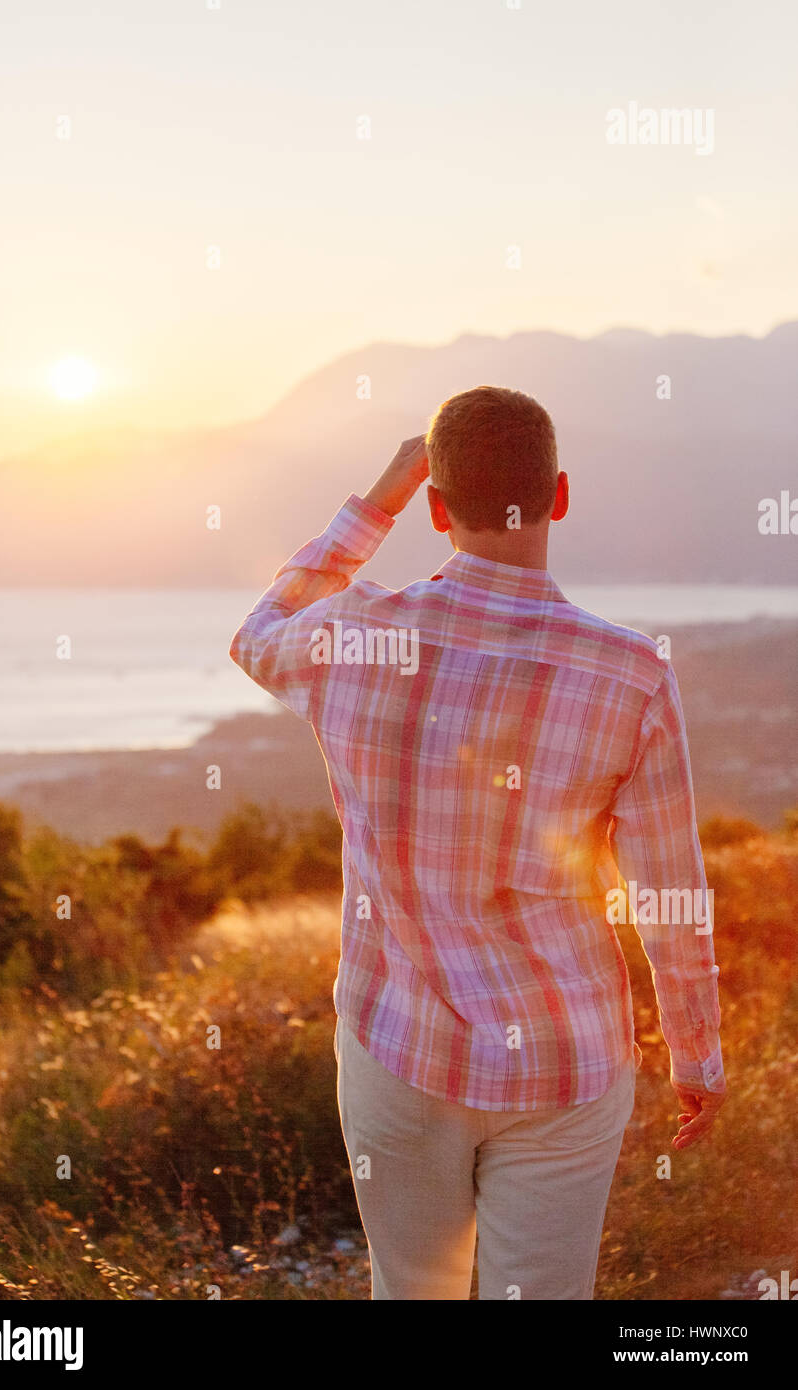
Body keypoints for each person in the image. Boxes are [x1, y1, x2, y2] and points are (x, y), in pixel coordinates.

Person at [229, 385, 726, 1300]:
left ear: (435, 507)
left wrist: (374, 503)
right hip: (565, 1061)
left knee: (413, 1290)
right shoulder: (630, 674)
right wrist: (695, 1053)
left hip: (399, 1048)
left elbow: (258, 633)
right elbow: (668, 892)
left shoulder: (354, 632)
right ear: (559, 496)